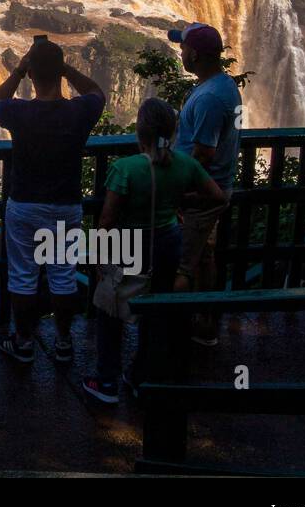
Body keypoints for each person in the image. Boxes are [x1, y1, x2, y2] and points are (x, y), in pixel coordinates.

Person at [82, 98, 225, 403]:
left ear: (139, 132)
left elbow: (107, 219)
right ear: (173, 132)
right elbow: (217, 197)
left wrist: (96, 254)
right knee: (156, 309)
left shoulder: (126, 168)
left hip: (130, 242)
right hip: (168, 239)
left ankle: (106, 381)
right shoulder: (185, 164)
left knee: (112, 308)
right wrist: (180, 203)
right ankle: (141, 376)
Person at [0, 37, 105, 364]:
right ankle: (64, 341)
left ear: (32, 74)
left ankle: (23, 343)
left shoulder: (18, 112)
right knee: (63, 274)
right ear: (60, 73)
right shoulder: (80, 111)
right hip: (65, 205)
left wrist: (18, 70)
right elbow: (97, 93)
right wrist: (65, 68)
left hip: (24, 203)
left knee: (23, 274)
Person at [169, 22, 241, 346]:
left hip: (199, 196)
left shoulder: (211, 98)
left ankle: (174, 334)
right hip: (212, 192)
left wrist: (179, 193)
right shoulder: (222, 85)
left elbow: (203, 155)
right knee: (205, 257)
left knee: (181, 265)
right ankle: (206, 326)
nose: (180, 53)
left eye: (182, 48)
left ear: (194, 54)